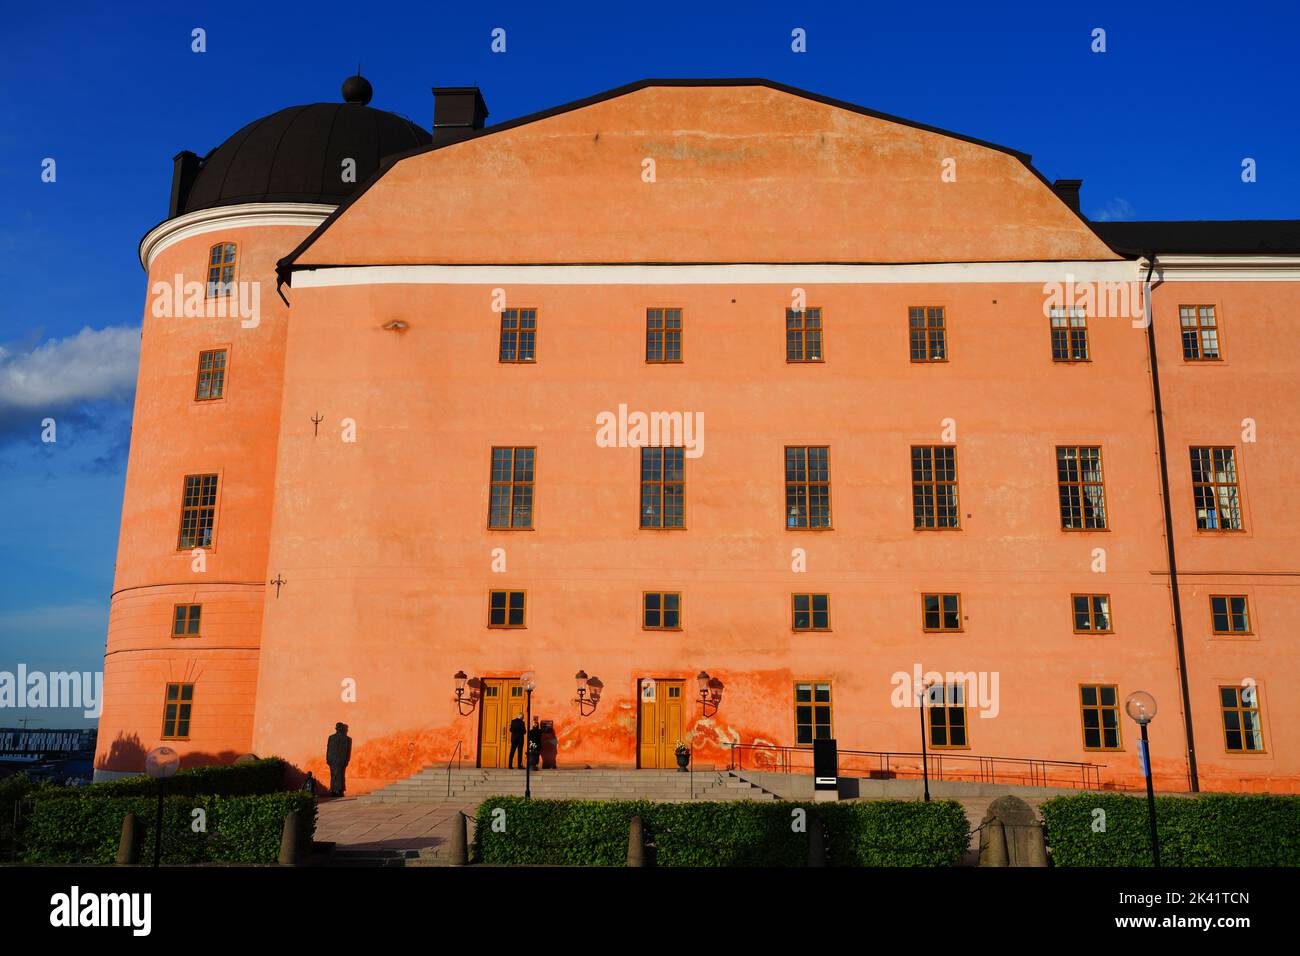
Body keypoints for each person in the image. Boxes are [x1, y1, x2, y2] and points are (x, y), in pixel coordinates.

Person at [326, 722, 352, 797]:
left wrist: (346, 760)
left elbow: (347, 750)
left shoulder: (346, 739)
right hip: (332, 760)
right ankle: (333, 790)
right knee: (333, 775)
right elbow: (328, 748)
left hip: (341, 760)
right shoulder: (331, 737)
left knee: (340, 776)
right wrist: (327, 759)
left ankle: (339, 790)